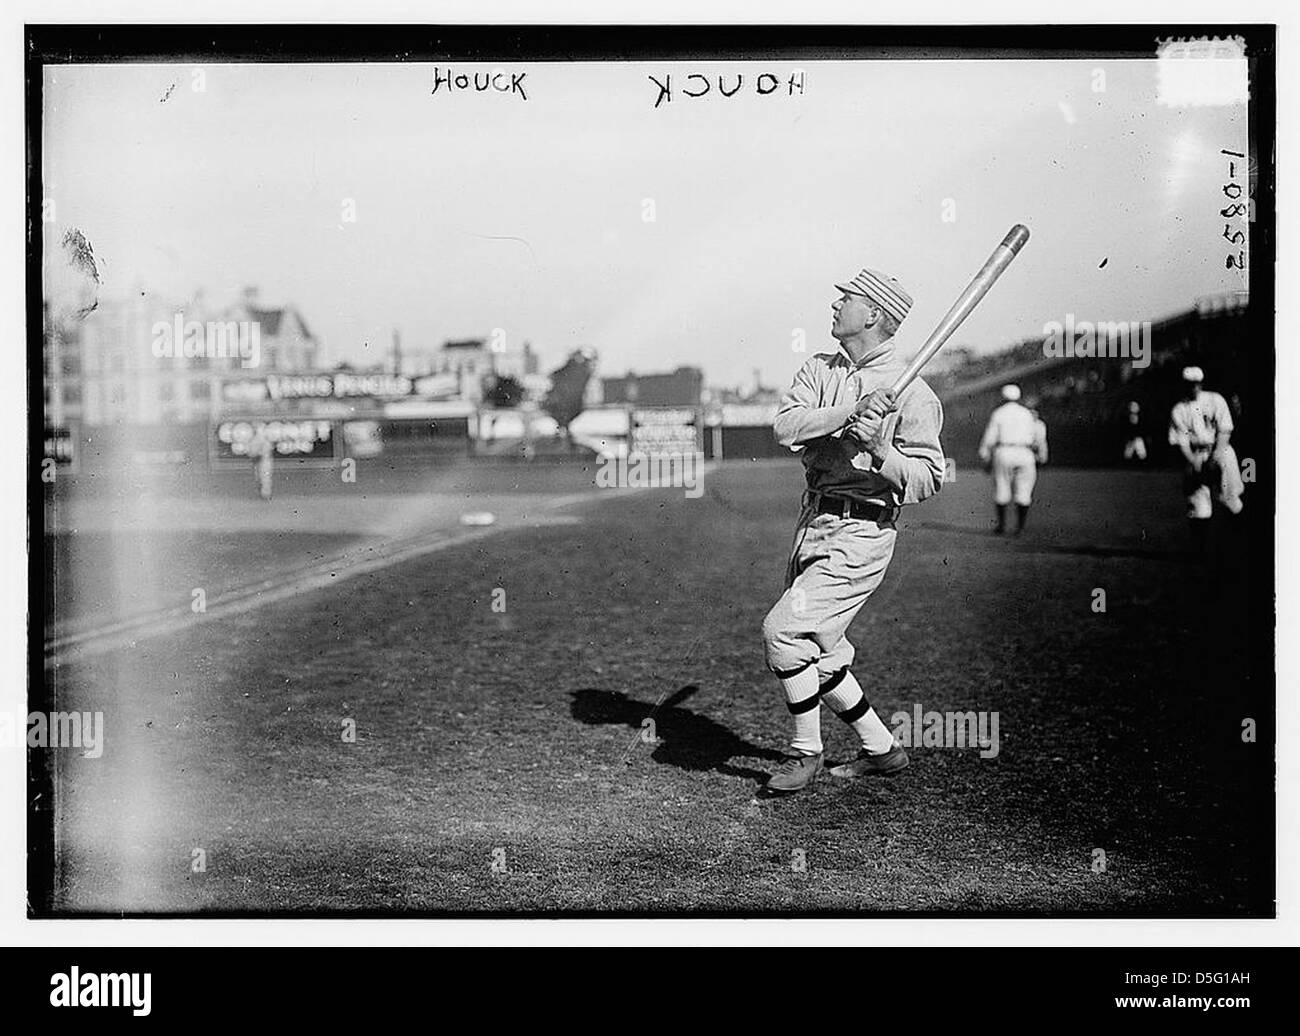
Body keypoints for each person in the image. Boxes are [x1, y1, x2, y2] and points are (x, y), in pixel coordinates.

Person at [761, 267, 945, 794]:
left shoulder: (916, 395)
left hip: (864, 531)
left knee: (785, 632)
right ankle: (882, 749)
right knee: (823, 650)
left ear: (875, 315)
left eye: (848, 298)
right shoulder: (820, 369)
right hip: (813, 518)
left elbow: (928, 479)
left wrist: (883, 452)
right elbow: (785, 426)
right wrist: (849, 414)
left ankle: (806, 751)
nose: (836, 303)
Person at [1168, 366, 1244, 553]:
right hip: (1196, 453)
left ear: (1201, 383)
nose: (1193, 387)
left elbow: (1225, 429)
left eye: (1196, 383)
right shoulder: (1179, 408)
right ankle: (1199, 551)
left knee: (1230, 497)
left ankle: (1239, 545)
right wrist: (1193, 460)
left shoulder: (1215, 399)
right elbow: (1181, 440)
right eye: (1189, 384)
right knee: (1197, 503)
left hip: (1221, 449)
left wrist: (1216, 455)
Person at [978, 384, 1043, 535]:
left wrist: (985, 456)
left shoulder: (998, 413)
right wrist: (1039, 454)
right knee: (1024, 491)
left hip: (1004, 451)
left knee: (1002, 488)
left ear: (1003, 396)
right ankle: (1020, 528)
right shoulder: (1027, 413)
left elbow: (989, 438)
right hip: (1025, 451)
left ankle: (1001, 526)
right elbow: (1037, 435)